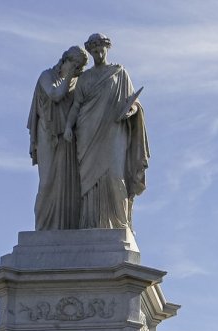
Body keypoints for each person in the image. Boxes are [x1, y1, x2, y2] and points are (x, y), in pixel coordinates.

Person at [64, 33, 149, 230]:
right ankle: (90, 223)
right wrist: (68, 126)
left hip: (113, 130)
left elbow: (134, 102)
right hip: (87, 132)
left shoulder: (119, 73)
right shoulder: (85, 78)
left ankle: (119, 224)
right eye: (94, 51)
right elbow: (76, 106)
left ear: (107, 49)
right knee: (88, 182)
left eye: (100, 49)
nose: (98, 53)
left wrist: (131, 110)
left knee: (114, 174)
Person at [28, 46, 87, 230]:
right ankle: (42, 228)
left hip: (67, 138)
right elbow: (55, 94)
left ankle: (65, 227)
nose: (76, 69)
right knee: (47, 182)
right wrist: (69, 75)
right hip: (48, 133)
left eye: (79, 67)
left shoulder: (77, 83)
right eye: (74, 64)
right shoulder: (46, 76)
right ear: (65, 60)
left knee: (68, 186)